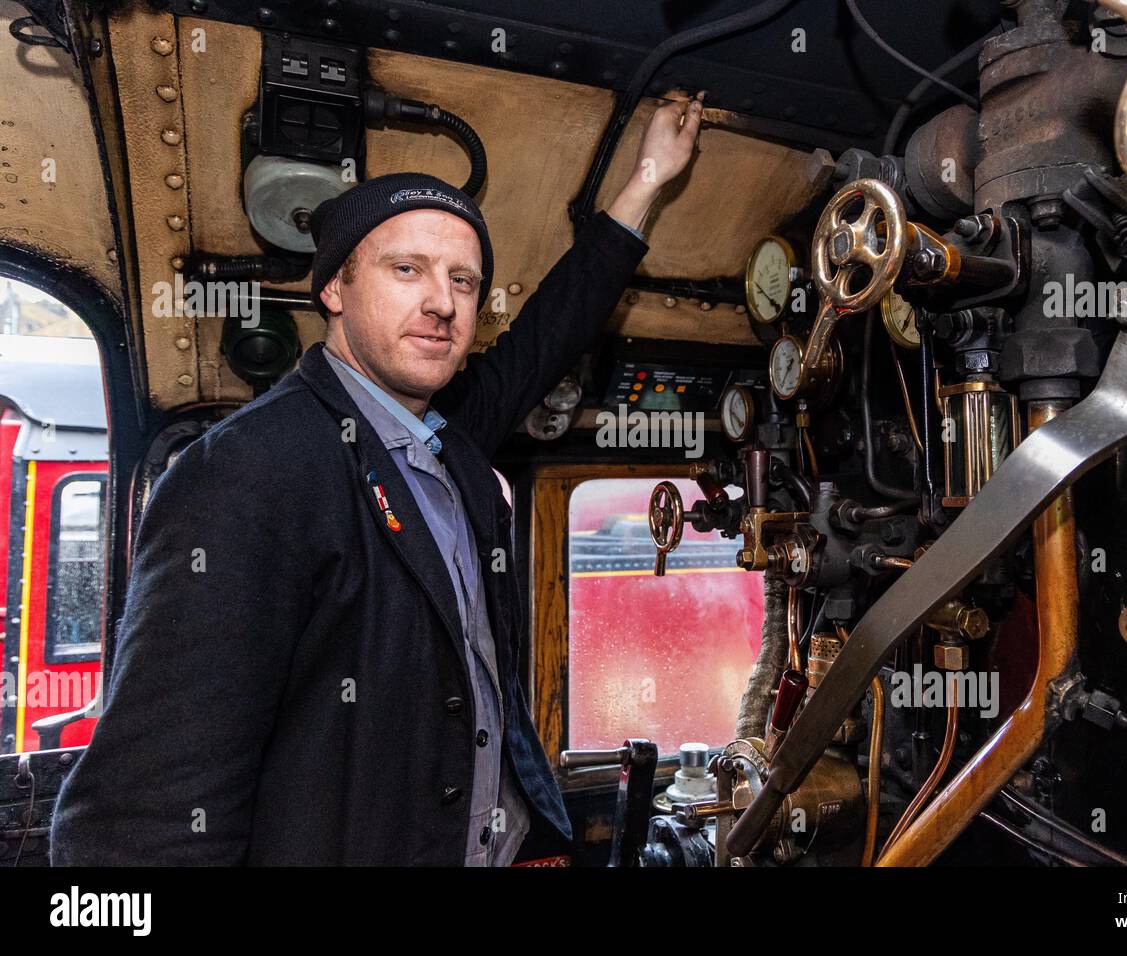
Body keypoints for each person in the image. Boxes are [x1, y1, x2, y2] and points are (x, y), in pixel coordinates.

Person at [50, 96, 704, 865]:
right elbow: (138, 823)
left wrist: (649, 177)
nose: (441, 302)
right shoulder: (245, 473)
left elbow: (549, 331)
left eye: (464, 282)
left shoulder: (446, 436)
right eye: (407, 270)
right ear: (334, 288)